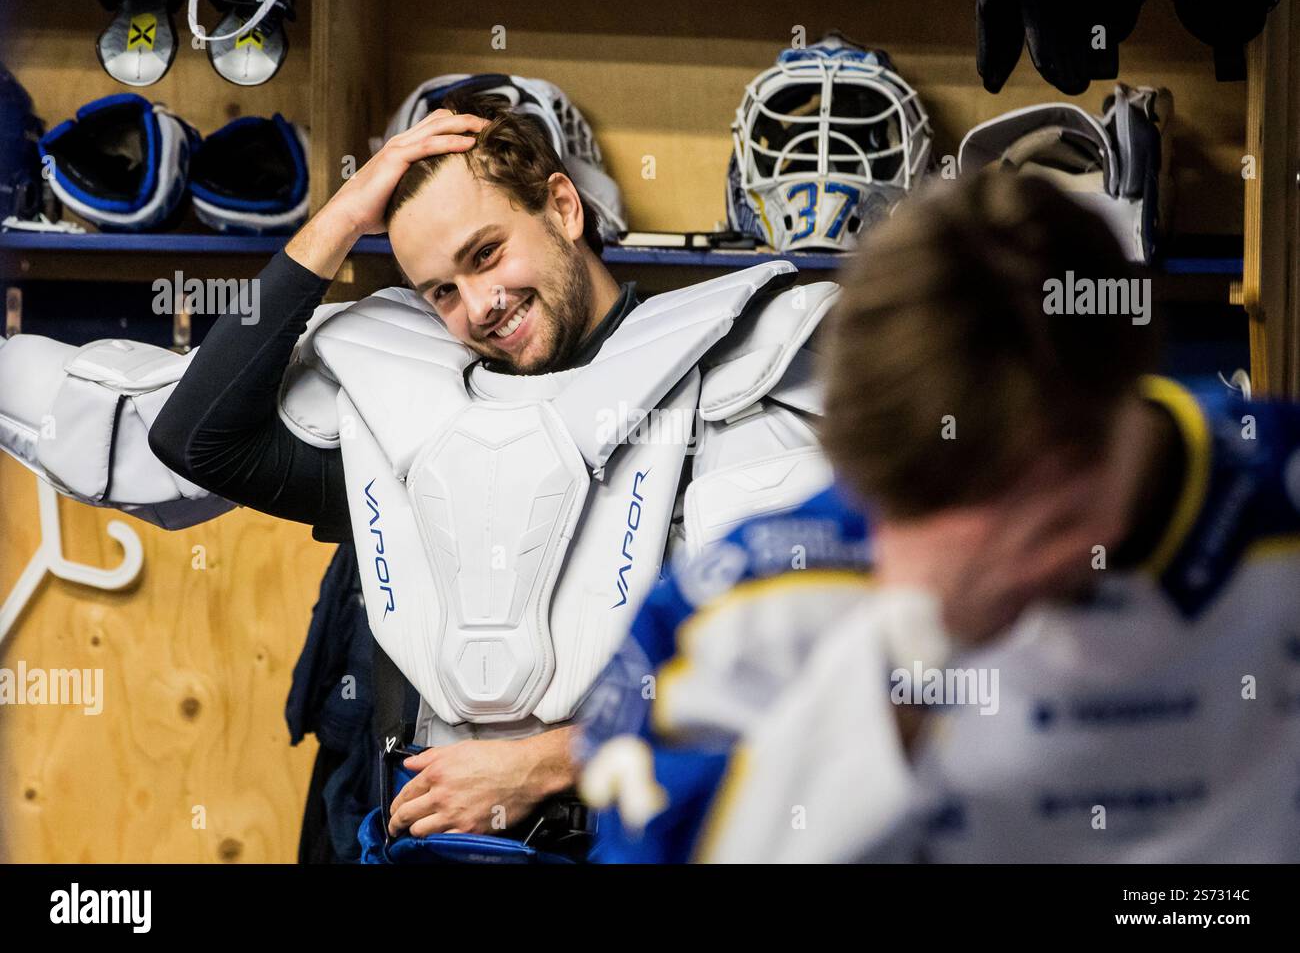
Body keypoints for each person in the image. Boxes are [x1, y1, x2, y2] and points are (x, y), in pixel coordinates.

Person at [0, 91, 835, 860]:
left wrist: (546, 763)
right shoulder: (401, 416)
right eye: (441, 289)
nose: (479, 305)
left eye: (488, 253)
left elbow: (821, 682)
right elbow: (194, 436)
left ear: (564, 206)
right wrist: (341, 217)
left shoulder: (730, 380)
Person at [582, 170, 1300, 862]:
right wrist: (906, 647)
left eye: (962, 505)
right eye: (891, 501)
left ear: (1095, 446)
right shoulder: (750, 596)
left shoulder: (1278, 500)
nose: (905, 544)